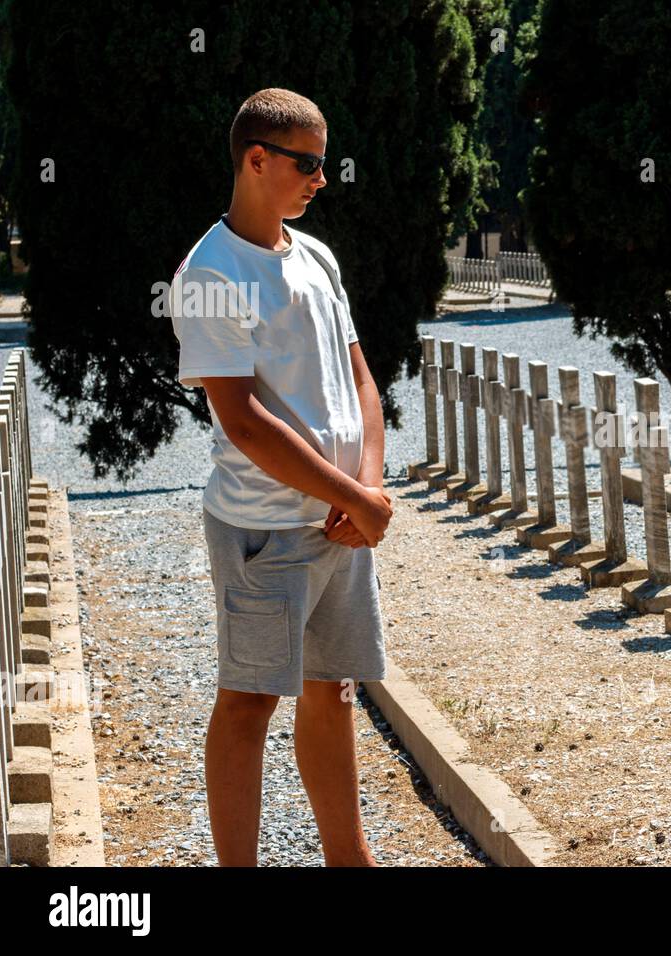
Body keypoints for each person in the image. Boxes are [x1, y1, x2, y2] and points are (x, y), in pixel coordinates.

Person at [170, 88, 392, 866]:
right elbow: (240, 421)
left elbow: (361, 380)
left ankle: (349, 860)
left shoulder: (317, 256)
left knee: (332, 691)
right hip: (264, 526)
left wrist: (365, 489)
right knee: (250, 701)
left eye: (324, 162)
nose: (323, 179)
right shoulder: (207, 274)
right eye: (309, 162)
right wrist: (353, 497)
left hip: (339, 520)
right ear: (256, 160)